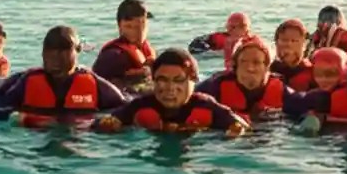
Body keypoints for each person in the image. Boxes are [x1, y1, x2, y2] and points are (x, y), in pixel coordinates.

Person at [0, 25, 126, 125]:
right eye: (50, 50)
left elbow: (127, 108)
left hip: (80, 143)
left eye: (63, 50)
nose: (55, 58)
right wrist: (13, 116)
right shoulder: (25, 81)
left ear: (78, 51)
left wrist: (104, 122)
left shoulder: (95, 84)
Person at [95, 49, 248, 135]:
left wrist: (236, 132)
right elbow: (97, 126)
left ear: (193, 81)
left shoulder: (207, 106)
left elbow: (243, 128)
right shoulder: (140, 106)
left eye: (178, 80)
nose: (170, 87)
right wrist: (106, 125)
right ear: (153, 80)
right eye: (162, 79)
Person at [195, 35, 297, 120]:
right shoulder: (215, 86)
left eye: (256, 62)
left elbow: (305, 104)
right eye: (243, 62)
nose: (250, 68)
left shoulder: (283, 91)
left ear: (267, 67)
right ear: (236, 66)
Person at [92, 0, 156, 94]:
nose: (137, 32)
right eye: (129, 27)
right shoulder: (112, 56)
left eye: (141, 25)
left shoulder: (146, 51)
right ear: (119, 27)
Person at [271, 18, 313, 91]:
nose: (289, 45)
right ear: (276, 43)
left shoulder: (312, 73)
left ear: (305, 44)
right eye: (284, 40)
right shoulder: (268, 70)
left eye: (294, 41)